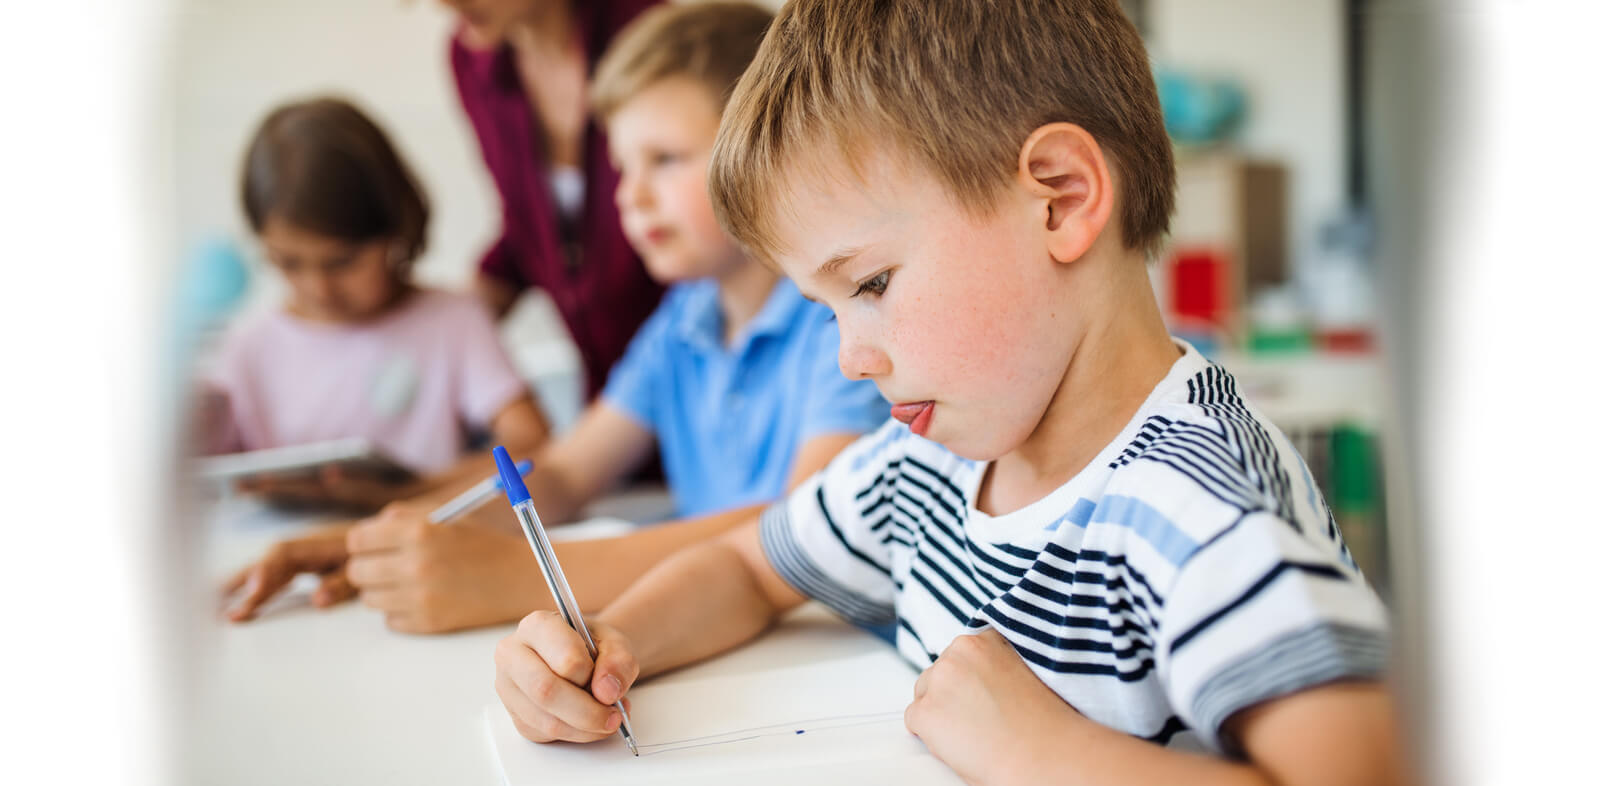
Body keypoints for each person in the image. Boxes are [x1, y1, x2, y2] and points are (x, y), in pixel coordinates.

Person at [491, 1, 1414, 784]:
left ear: (1057, 198)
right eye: (825, 310)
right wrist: (605, 646)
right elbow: (746, 569)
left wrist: (1046, 754)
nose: (852, 358)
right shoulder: (921, 465)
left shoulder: (1199, 511)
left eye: (873, 285)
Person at [225, 3, 891, 637]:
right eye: (621, 166)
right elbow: (566, 474)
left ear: (762, 153)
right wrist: (378, 543)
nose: (629, 195)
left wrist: (514, 578)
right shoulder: (681, 322)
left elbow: (798, 528)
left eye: (664, 160)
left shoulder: (838, 323)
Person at [201, 97, 549, 513]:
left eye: (342, 262)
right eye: (288, 263)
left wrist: (411, 491)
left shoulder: (452, 322)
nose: (318, 288)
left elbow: (531, 441)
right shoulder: (246, 348)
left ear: (395, 229)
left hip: (415, 543)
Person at [442, 0, 665, 398]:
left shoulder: (654, 39)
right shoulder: (472, 61)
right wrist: (438, 326)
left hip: (691, 367)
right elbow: (529, 227)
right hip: (608, 389)